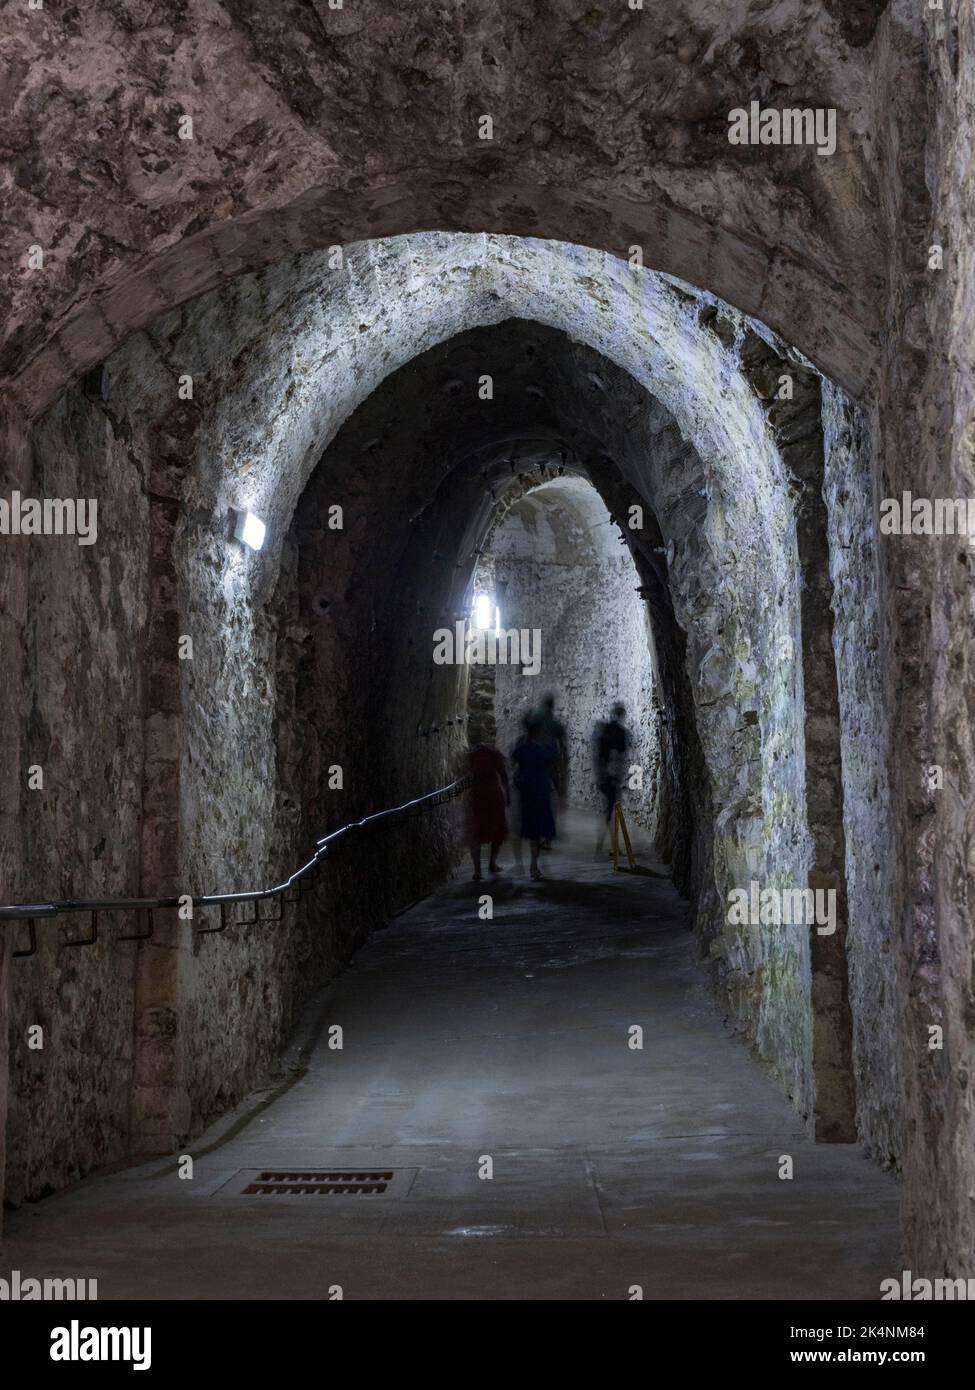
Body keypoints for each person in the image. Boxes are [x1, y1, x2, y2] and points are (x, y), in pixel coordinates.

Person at [511, 713, 561, 880]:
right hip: (541, 791)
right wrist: (558, 787)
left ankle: (524, 864)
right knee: (538, 830)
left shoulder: (522, 748)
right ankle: (533, 864)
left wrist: (517, 781)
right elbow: (555, 767)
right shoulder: (547, 748)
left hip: (528, 792)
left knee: (530, 829)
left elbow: (514, 767)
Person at [466, 726, 509, 882]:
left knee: (476, 832)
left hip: (477, 795)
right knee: (498, 830)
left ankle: (477, 870)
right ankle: (492, 863)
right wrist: (508, 794)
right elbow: (503, 775)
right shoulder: (494, 754)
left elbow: (465, 775)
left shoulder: (470, 755)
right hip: (493, 796)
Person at [594, 702, 631, 853]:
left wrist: (600, 777)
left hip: (605, 776)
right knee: (612, 810)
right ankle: (611, 845)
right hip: (613, 777)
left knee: (609, 809)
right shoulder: (620, 733)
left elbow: (599, 757)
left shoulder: (605, 731)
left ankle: (603, 842)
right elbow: (618, 756)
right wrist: (618, 778)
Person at [534, 693, 568, 847]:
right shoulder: (557, 726)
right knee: (549, 801)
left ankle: (538, 834)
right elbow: (564, 749)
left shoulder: (537, 724)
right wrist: (564, 768)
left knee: (538, 801)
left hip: (538, 766)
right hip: (552, 765)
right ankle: (547, 836)